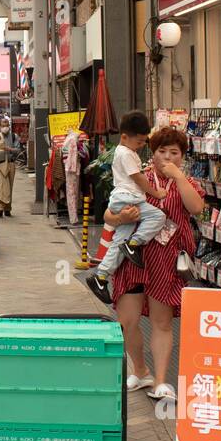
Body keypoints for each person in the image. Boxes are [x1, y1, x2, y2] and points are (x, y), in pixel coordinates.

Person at [107, 126, 204, 404]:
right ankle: (140, 370)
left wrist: (179, 178)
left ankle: (161, 381)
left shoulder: (186, 181)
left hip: (166, 259)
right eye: (162, 151)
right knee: (127, 320)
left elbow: (196, 208)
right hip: (133, 256)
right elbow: (109, 214)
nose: (167, 157)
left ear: (182, 156)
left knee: (162, 322)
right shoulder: (138, 179)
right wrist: (121, 218)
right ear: (153, 152)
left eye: (174, 152)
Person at [86, 111, 168, 305]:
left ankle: (101, 276)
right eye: (139, 142)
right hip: (128, 198)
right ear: (124, 137)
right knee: (158, 216)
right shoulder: (126, 153)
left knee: (118, 242)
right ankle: (134, 244)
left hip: (121, 199)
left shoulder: (125, 153)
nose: (141, 146)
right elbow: (138, 178)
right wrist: (156, 193)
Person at [0, 116, 22, 217]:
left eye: (6, 125)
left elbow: (18, 150)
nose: (4, 127)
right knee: (0, 186)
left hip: (10, 164)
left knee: (9, 186)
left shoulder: (14, 136)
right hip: (0, 164)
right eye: (3, 125)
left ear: (9, 126)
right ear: (0, 126)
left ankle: (7, 208)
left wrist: (8, 149)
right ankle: (0, 208)